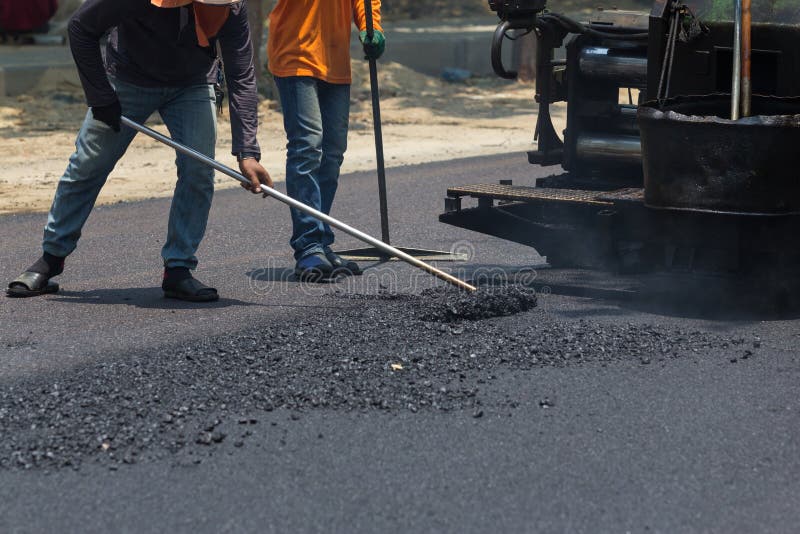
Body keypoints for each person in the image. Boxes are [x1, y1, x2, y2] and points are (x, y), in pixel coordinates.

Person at [6, 0, 272, 302]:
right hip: (127, 79)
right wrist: (101, 96)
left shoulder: (232, 6)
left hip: (193, 84)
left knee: (198, 172)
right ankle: (51, 259)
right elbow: (80, 28)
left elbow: (241, 74)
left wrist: (247, 153)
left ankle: (178, 268)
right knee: (87, 165)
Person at [267, 0, 385, 281]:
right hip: (295, 55)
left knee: (332, 154)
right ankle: (308, 246)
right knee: (307, 147)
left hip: (334, 59)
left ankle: (321, 240)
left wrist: (371, 27)